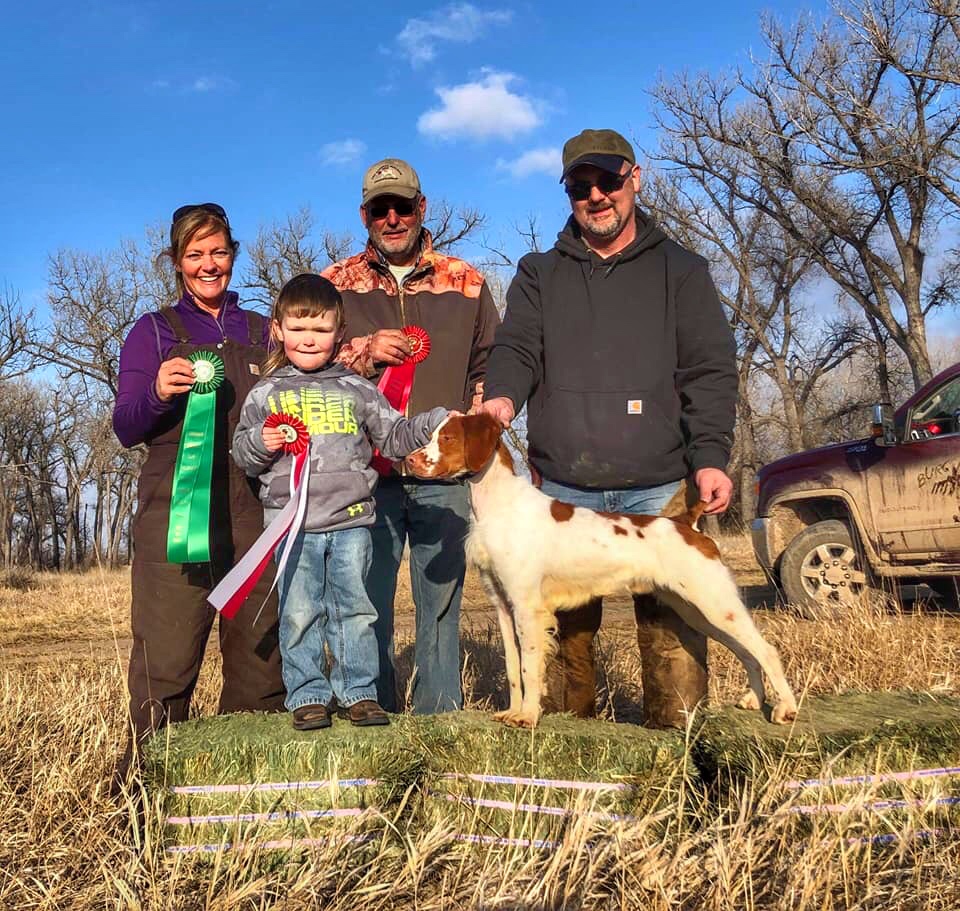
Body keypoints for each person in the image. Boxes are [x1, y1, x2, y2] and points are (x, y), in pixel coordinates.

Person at [481, 129, 738, 728]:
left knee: (672, 644)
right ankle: (570, 774)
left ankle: (677, 771)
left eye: (607, 180)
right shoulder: (539, 273)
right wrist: (498, 403)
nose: (595, 195)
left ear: (635, 179)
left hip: (659, 485)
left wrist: (710, 456)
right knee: (565, 651)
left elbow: (709, 369)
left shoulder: (682, 270)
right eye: (579, 185)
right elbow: (517, 348)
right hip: (564, 491)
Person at [112, 203, 285, 780]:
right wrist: (159, 391)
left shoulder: (266, 331)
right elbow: (126, 425)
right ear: (176, 263)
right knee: (166, 659)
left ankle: (248, 792)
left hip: (254, 513)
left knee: (261, 661)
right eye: (195, 255)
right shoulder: (152, 331)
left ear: (233, 254)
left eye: (218, 252)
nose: (209, 265)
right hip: (174, 513)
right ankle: (149, 793)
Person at [322, 158, 500, 714]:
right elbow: (307, 363)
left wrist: (469, 445)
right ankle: (369, 714)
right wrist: (363, 352)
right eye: (381, 209)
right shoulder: (334, 284)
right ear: (365, 215)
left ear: (423, 208)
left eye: (403, 206)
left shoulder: (467, 281)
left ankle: (438, 720)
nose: (393, 218)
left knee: (441, 604)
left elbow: (489, 368)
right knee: (363, 602)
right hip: (363, 475)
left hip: (441, 473)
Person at [232, 274, 448, 729]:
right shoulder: (265, 394)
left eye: (321, 329)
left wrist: (432, 423)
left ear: (340, 332)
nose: (309, 339)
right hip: (291, 529)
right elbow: (243, 457)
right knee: (299, 610)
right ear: (278, 329)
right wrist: (262, 440)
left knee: (355, 609)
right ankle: (308, 692)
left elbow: (393, 439)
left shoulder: (358, 389)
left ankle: (358, 692)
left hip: (352, 522)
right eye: (298, 328)